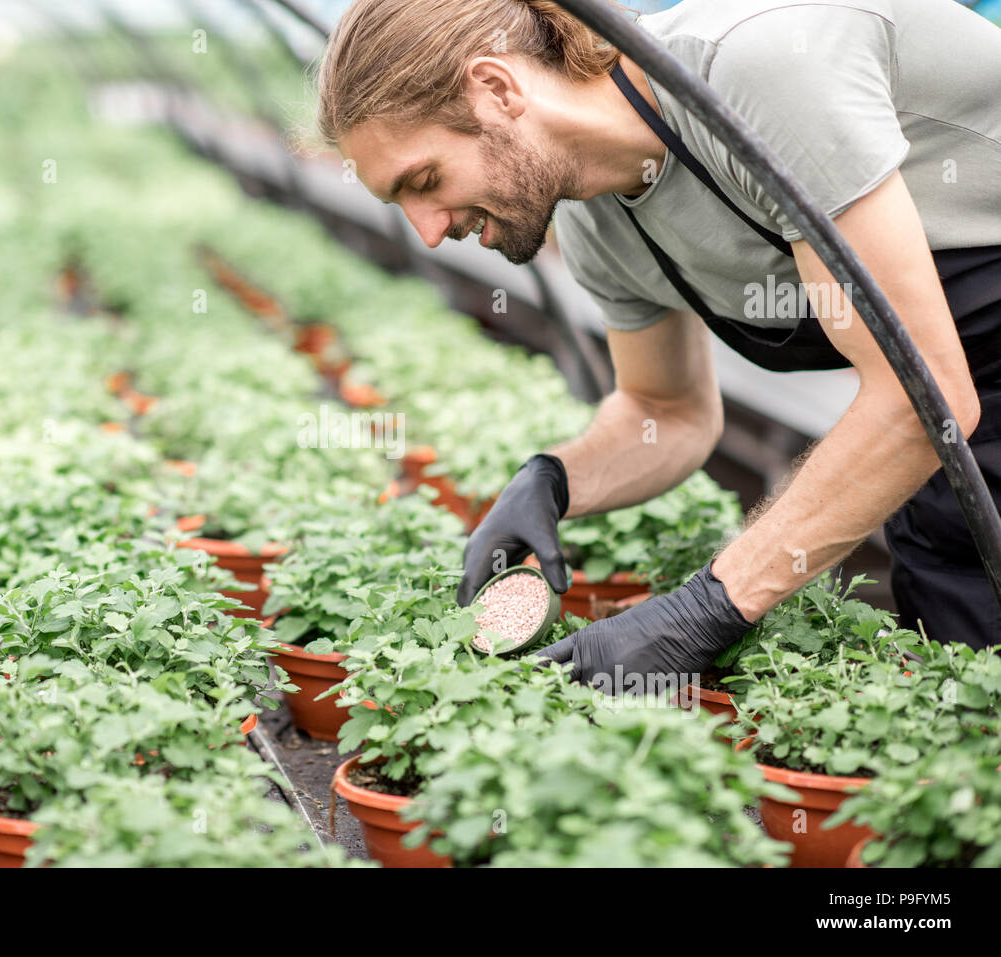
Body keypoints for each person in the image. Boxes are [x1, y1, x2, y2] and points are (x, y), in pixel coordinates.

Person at [316, 0, 1001, 689]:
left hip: (951, 394)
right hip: (964, 426)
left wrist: (707, 606)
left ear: (497, 89)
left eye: (426, 181)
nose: (429, 231)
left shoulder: (754, 72)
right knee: (962, 685)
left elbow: (923, 401)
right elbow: (668, 410)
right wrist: (554, 480)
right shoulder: (596, 224)